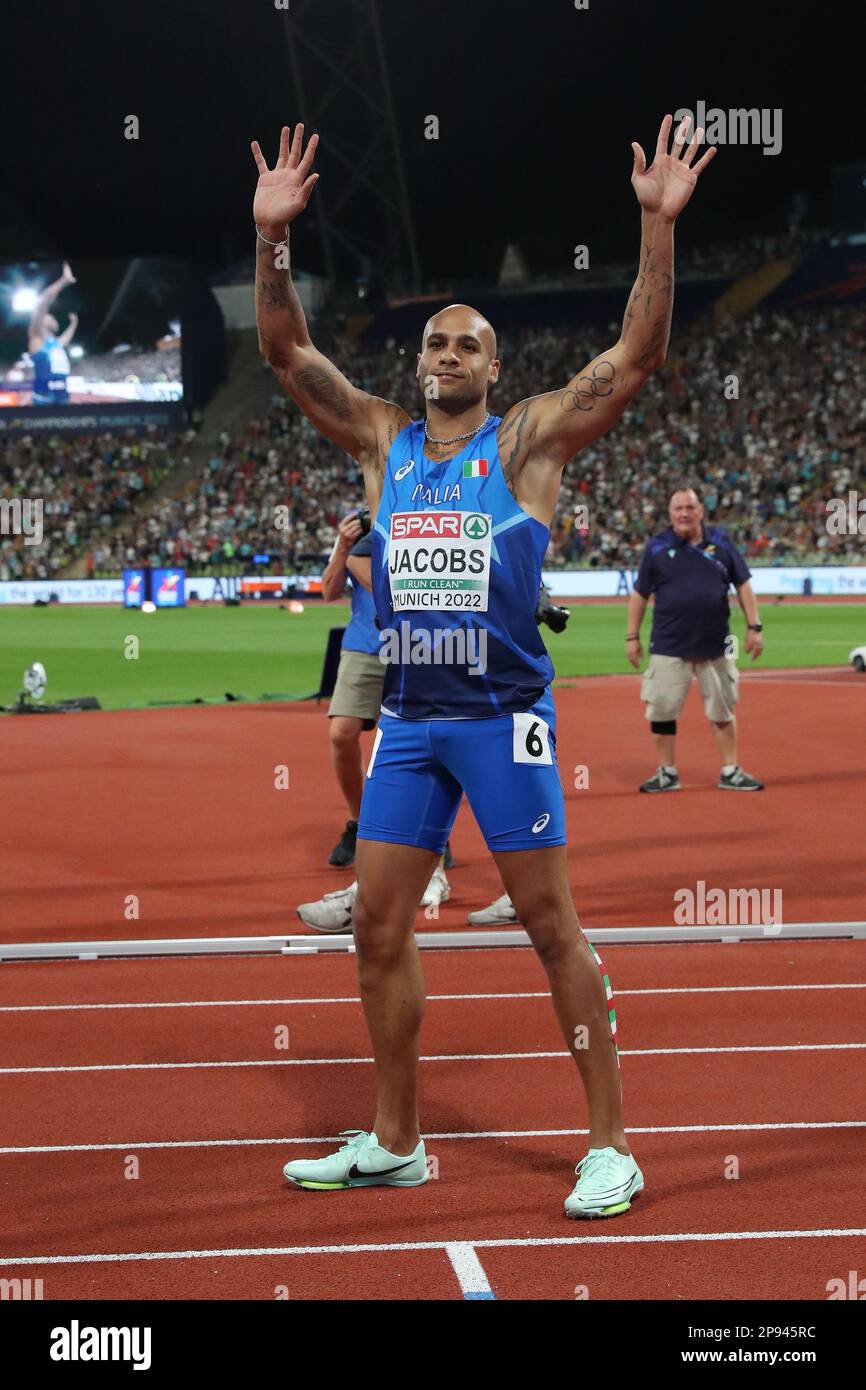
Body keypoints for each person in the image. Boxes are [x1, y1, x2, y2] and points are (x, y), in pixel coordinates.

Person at [251, 114, 716, 1217]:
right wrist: (271, 240)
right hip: (410, 718)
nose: (444, 355)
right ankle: (396, 1139)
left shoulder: (527, 444)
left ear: (495, 369)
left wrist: (654, 228)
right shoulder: (378, 443)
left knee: (550, 926)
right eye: (433, 344)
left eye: (465, 345)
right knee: (375, 924)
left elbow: (635, 356)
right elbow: (283, 351)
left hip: (503, 716)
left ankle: (610, 1143)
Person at [298, 510, 451, 926]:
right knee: (341, 734)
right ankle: (362, 823)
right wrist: (344, 546)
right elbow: (329, 592)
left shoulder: (417, 518)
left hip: (413, 646)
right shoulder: (361, 533)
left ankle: (427, 833)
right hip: (364, 645)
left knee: (416, 743)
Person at [626, 485, 764, 792]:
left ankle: (730, 770)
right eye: (678, 509)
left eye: (690, 508)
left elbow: (743, 585)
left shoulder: (721, 542)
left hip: (715, 645)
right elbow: (639, 595)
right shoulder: (657, 547)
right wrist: (632, 636)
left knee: (723, 709)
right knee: (661, 709)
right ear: (670, 514)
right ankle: (666, 772)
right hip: (668, 645)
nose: (684, 514)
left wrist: (755, 627)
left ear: (701, 511)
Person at [29, 261, 78, 405]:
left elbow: (67, 337)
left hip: (62, 396)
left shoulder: (56, 343)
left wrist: (74, 324)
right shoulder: (37, 336)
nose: (54, 318)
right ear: (42, 321)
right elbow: (42, 303)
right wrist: (64, 281)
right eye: (50, 316)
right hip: (44, 398)